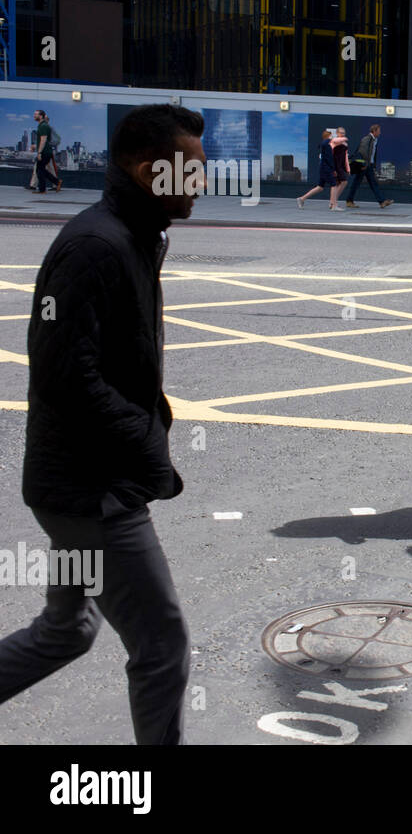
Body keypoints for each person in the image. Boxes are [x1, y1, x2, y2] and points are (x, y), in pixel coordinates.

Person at [0, 103, 199, 745]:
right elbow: (65, 376)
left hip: (79, 486)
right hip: (92, 494)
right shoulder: (94, 246)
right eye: (189, 173)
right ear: (148, 172)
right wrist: (144, 439)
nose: (201, 184)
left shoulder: (138, 235)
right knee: (162, 645)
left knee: (68, 631)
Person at [345, 123, 393, 209]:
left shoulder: (374, 140)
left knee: (373, 183)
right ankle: (349, 201)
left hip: (368, 165)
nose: (380, 132)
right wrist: (364, 164)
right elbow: (363, 152)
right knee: (357, 183)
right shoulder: (367, 139)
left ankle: (382, 202)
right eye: (379, 131)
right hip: (365, 165)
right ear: (374, 131)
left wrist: (372, 164)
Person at [298, 128, 341, 209]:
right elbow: (329, 158)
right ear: (329, 136)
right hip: (327, 168)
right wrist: (333, 169)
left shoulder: (323, 144)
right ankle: (333, 205)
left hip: (322, 167)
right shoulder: (328, 144)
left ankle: (302, 199)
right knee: (334, 185)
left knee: (320, 187)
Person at [33, 109, 60, 194]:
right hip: (45, 152)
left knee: (40, 170)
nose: (34, 116)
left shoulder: (43, 126)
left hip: (45, 152)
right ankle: (56, 182)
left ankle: (43, 189)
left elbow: (43, 140)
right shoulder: (42, 125)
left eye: (36, 114)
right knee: (40, 170)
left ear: (41, 116)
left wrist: (39, 152)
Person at [330, 128, 351, 208]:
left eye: (344, 133)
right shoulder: (334, 142)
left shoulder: (345, 144)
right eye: (341, 133)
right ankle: (333, 203)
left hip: (340, 166)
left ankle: (333, 202)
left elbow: (345, 157)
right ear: (337, 133)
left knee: (341, 183)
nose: (343, 134)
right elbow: (335, 141)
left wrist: (348, 169)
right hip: (334, 165)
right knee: (337, 184)